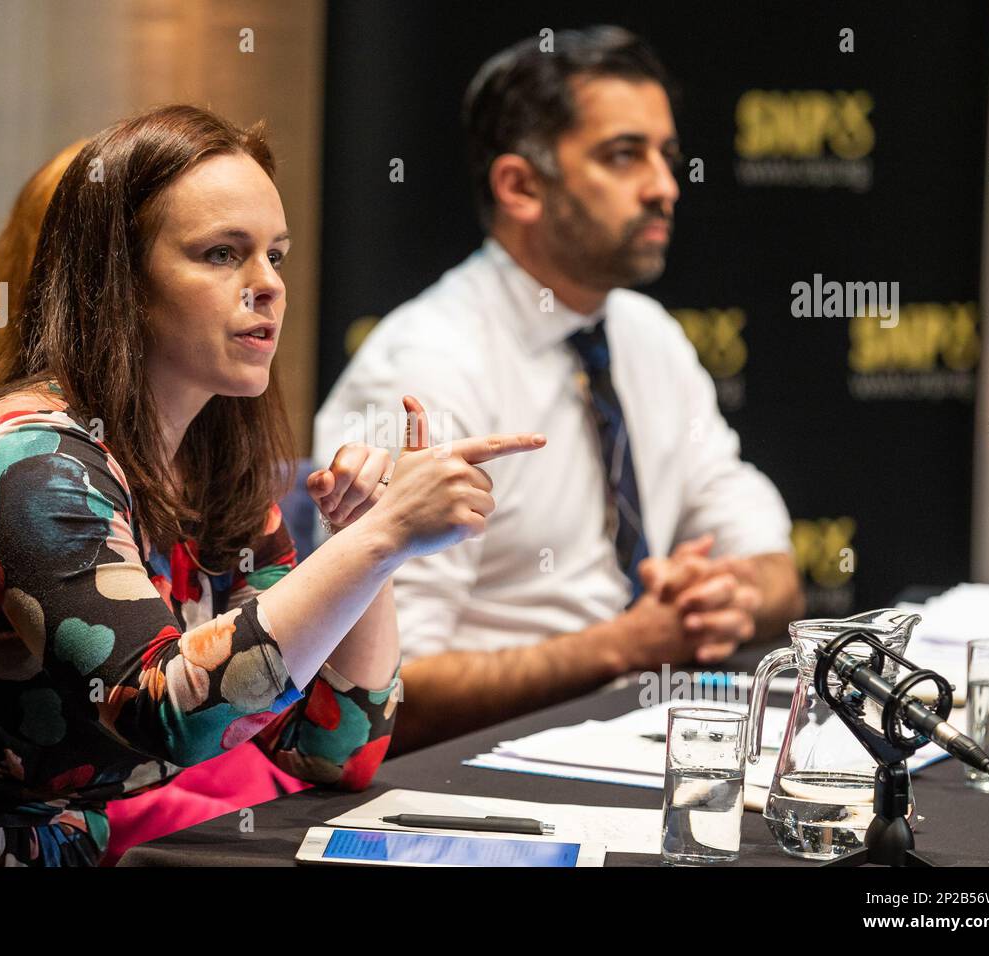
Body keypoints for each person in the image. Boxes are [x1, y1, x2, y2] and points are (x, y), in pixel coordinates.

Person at [0, 104, 545, 866]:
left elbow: (333, 749)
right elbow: (164, 713)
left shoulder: (216, 470)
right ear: (122, 284)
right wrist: (386, 536)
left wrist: (368, 547)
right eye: (221, 254)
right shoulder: (27, 463)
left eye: (275, 256)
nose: (267, 287)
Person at [314, 27, 803, 754]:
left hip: (632, 739)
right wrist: (624, 647)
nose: (665, 187)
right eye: (623, 155)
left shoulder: (648, 336)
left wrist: (728, 601)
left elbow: (777, 571)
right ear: (520, 186)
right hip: (471, 775)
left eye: (666, 157)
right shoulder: (426, 368)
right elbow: (389, 693)